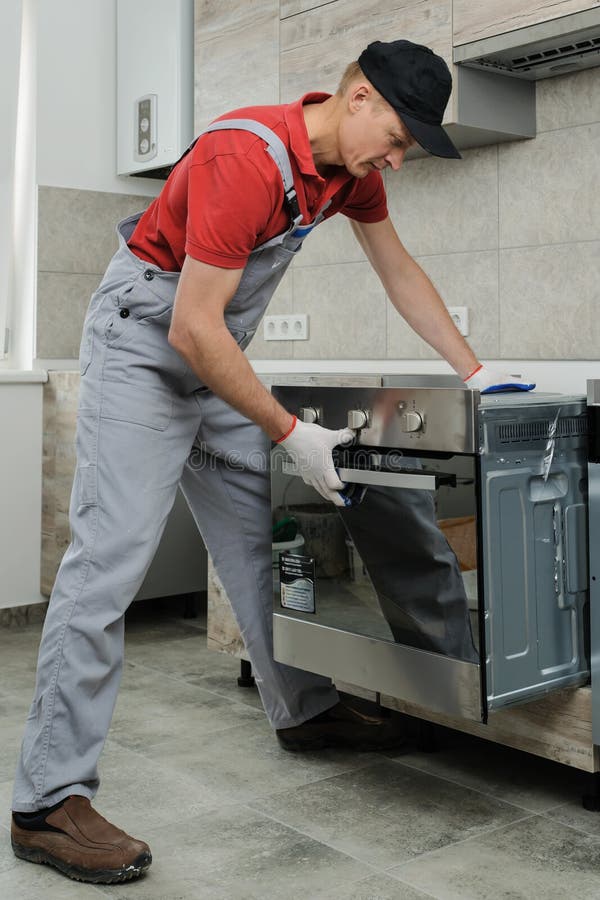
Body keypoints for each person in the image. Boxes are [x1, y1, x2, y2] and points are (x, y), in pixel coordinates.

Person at [10, 39, 534, 884]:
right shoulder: (243, 157)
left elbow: (396, 270)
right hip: (147, 345)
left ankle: (304, 709)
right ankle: (46, 800)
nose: (395, 163)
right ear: (356, 97)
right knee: (107, 563)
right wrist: (290, 430)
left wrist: (479, 375)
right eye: (397, 139)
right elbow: (190, 327)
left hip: (215, 349)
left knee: (261, 534)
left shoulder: (347, 178)